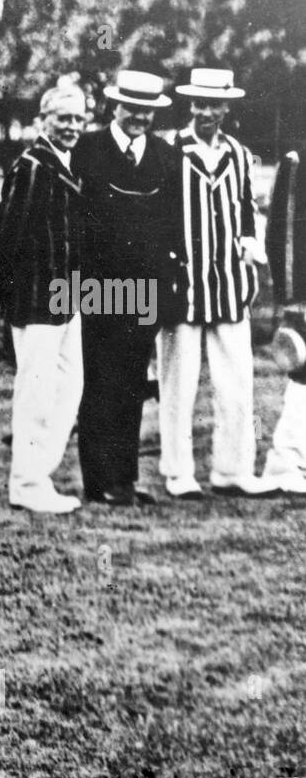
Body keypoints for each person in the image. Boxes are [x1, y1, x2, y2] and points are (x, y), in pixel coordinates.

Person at [157, 69, 275, 499]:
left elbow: (247, 213)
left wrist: (249, 248)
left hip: (229, 285)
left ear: (227, 107)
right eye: (199, 103)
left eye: (215, 104)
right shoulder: (168, 149)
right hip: (180, 288)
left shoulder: (241, 155)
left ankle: (233, 471)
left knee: (237, 383)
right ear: (189, 105)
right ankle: (178, 473)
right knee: (178, 384)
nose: (206, 112)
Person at [72, 70, 185, 507]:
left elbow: (172, 223)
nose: (140, 116)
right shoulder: (87, 150)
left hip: (146, 287)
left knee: (132, 380)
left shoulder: (164, 155)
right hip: (98, 286)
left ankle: (123, 480)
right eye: (132, 108)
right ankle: (95, 481)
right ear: (115, 106)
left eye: (148, 110)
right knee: (97, 379)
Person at [0, 82, 88, 513]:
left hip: (66, 297)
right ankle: (26, 483)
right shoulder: (32, 165)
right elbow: (5, 233)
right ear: (44, 120)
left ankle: (38, 474)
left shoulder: (66, 164)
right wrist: (5, 293)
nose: (71, 126)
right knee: (38, 391)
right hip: (36, 300)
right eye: (62, 118)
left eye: (78, 119)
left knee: (69, 386)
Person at [260, 148, 306, 496]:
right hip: (304, 293)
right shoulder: (297, 161)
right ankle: (285, 463)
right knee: (304, 376)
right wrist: (292, 299)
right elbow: (282, 233)